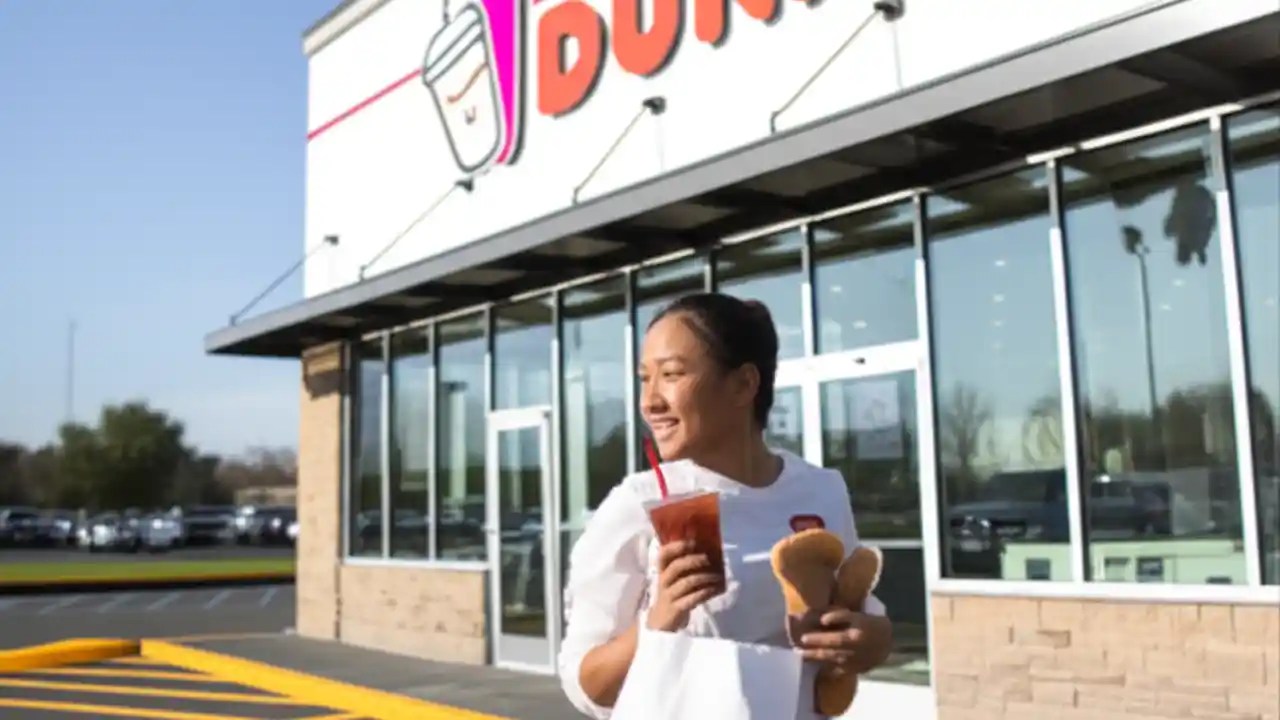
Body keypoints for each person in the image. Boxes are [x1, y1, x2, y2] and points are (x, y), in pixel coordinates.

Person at [557, 292, 894, 719]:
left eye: (671, 375)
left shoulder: (821, 490)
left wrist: (870, 641)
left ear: (743, 385)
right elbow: (586, 685)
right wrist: (659, 623)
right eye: (645, 378)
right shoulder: (639, 503)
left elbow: (858, 611)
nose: (650, 401)